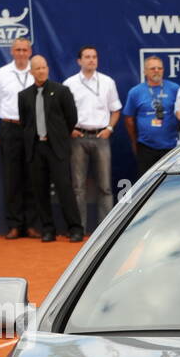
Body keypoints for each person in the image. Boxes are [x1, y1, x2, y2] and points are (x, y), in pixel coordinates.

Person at [18, 54, 84, 242]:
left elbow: (71, 118)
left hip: (56, 148)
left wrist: (59, 136)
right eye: (38, 68)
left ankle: (75, 228)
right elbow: (24, 122)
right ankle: (48, 229)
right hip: (35, 148)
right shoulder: (23, 96)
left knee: (65, 189)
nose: (42, 71)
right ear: (31, 72)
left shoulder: (62, 91)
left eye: (44, 67)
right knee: (40, 190)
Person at [64, 45, 121, 231]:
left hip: (101, 136)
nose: (91, 60)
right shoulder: (69, 84)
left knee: (105, 186)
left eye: (94, 57)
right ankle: (78, 228)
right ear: (79, 61)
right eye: (87, 57)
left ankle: (106, 229)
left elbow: (116, 109)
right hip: (78, 138)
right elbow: (60, 112)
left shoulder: (107, 82)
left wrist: (110, 128)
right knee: (78, 187)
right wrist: (69, 129)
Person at [0, 38, 38, 239]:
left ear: (30, 51)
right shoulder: (2, 74)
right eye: (18, 50)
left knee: (33, 177)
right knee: (12, 178)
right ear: (11, 52)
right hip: (9, 128)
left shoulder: (37, 71)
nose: (21, 53)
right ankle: (15, 225)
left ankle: (33, 225)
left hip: (32, 129)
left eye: (25, 50)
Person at [123, 55, 180, 174]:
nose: (156, 71)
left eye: (159, 68)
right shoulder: (135, 92)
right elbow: (129, 119)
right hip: (146, 147)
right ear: (145, 71)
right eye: (152, 68)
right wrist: (135, 141)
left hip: (171, 146)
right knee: (147, 184)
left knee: (171, 184)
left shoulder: (175, 89)